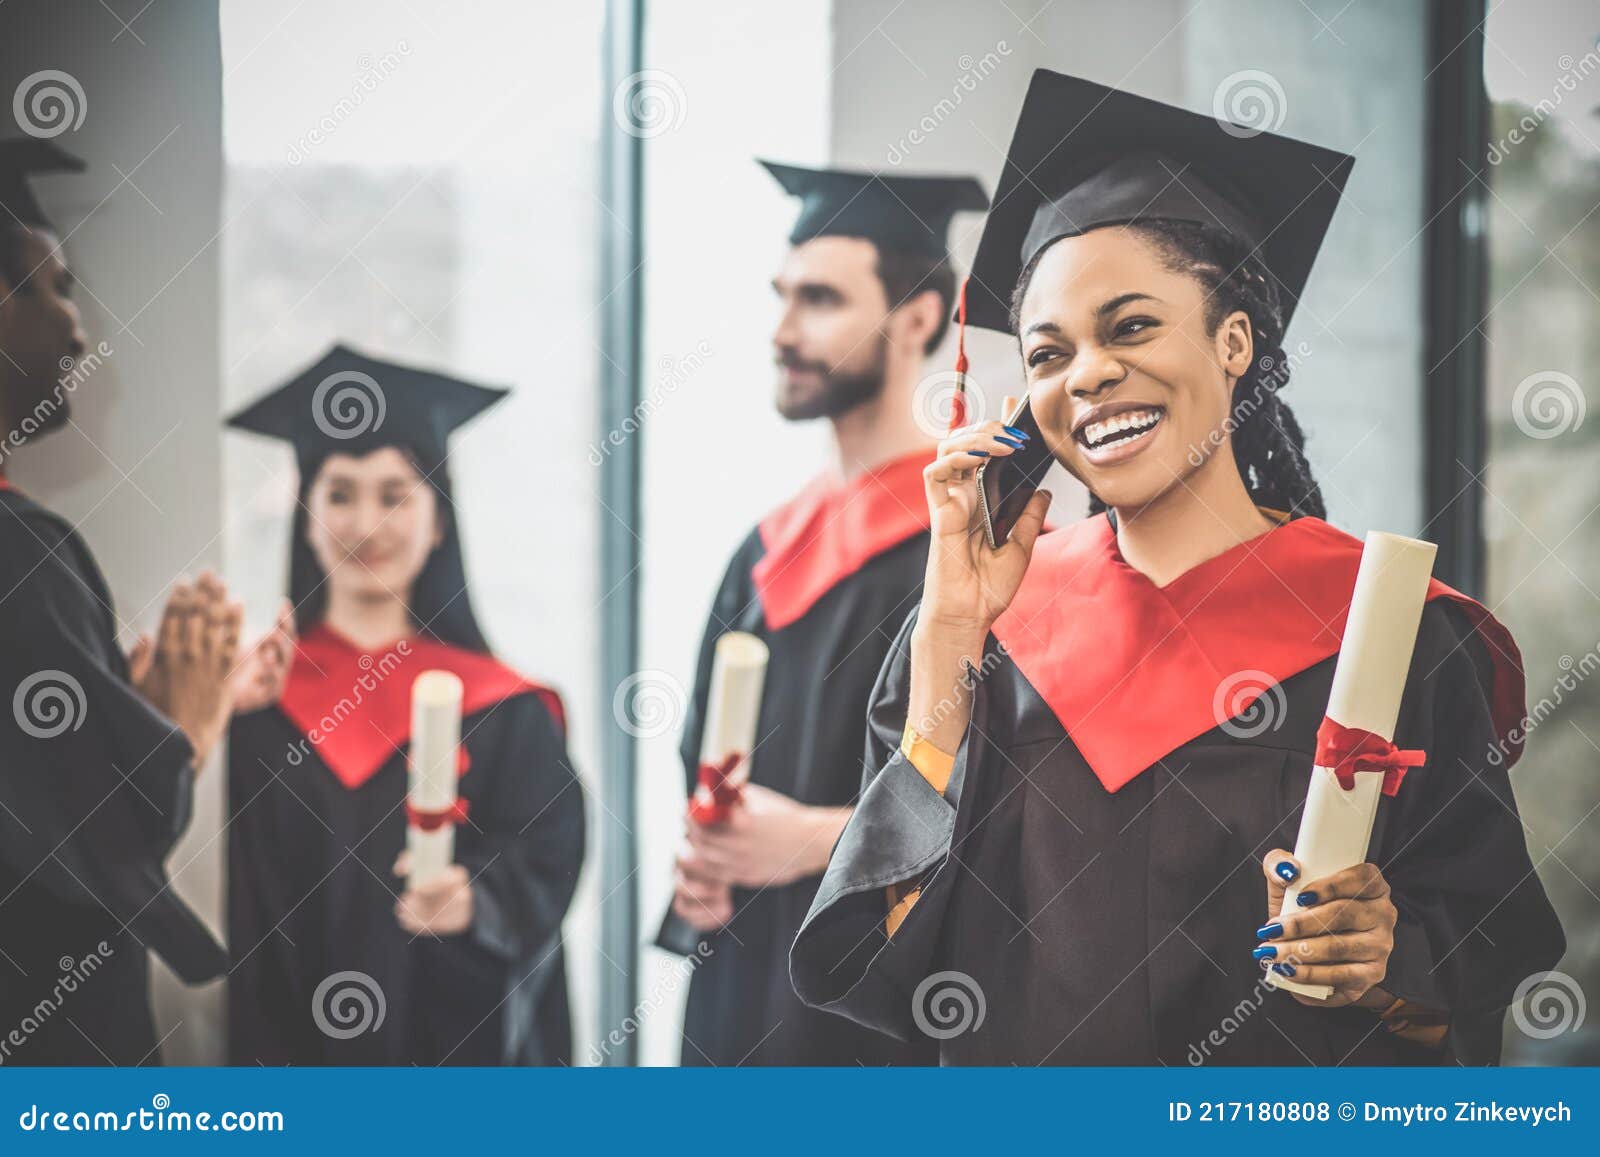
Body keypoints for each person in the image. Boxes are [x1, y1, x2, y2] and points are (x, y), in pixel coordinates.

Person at [790, 70, 1566, 1065]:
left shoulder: (1395, 632)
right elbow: (891, 946)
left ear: (1233, 340)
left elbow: (1482, 961)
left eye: (1131, 326)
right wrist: (950, 629)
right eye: (1046, 352)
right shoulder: (983, 633)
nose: (1088, 375)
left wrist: (1385, 952)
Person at [656, 161, 987, 1066]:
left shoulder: (966, 550)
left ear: (918, 318)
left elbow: (1003, 807)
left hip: (878, 1010)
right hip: (738, 994)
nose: (783, 331)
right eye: (781, 296)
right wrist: (705, 863)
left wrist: (810, 839)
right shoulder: (765, 549)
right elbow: (707, 768)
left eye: (821, 300)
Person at [223, 345, 585, 1065]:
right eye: (340, 493)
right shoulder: (259, 704)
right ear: (306, 514)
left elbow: (547, 853)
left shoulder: (504, 707)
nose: (366, 523)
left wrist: (477, 900)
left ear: (439, 519)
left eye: (395, 494)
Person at [0, 139, 271, 1064]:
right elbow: (98, 840)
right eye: (51, 288)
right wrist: (185, 728)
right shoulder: (16, 552)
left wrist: (121, 724)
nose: (77, 331)